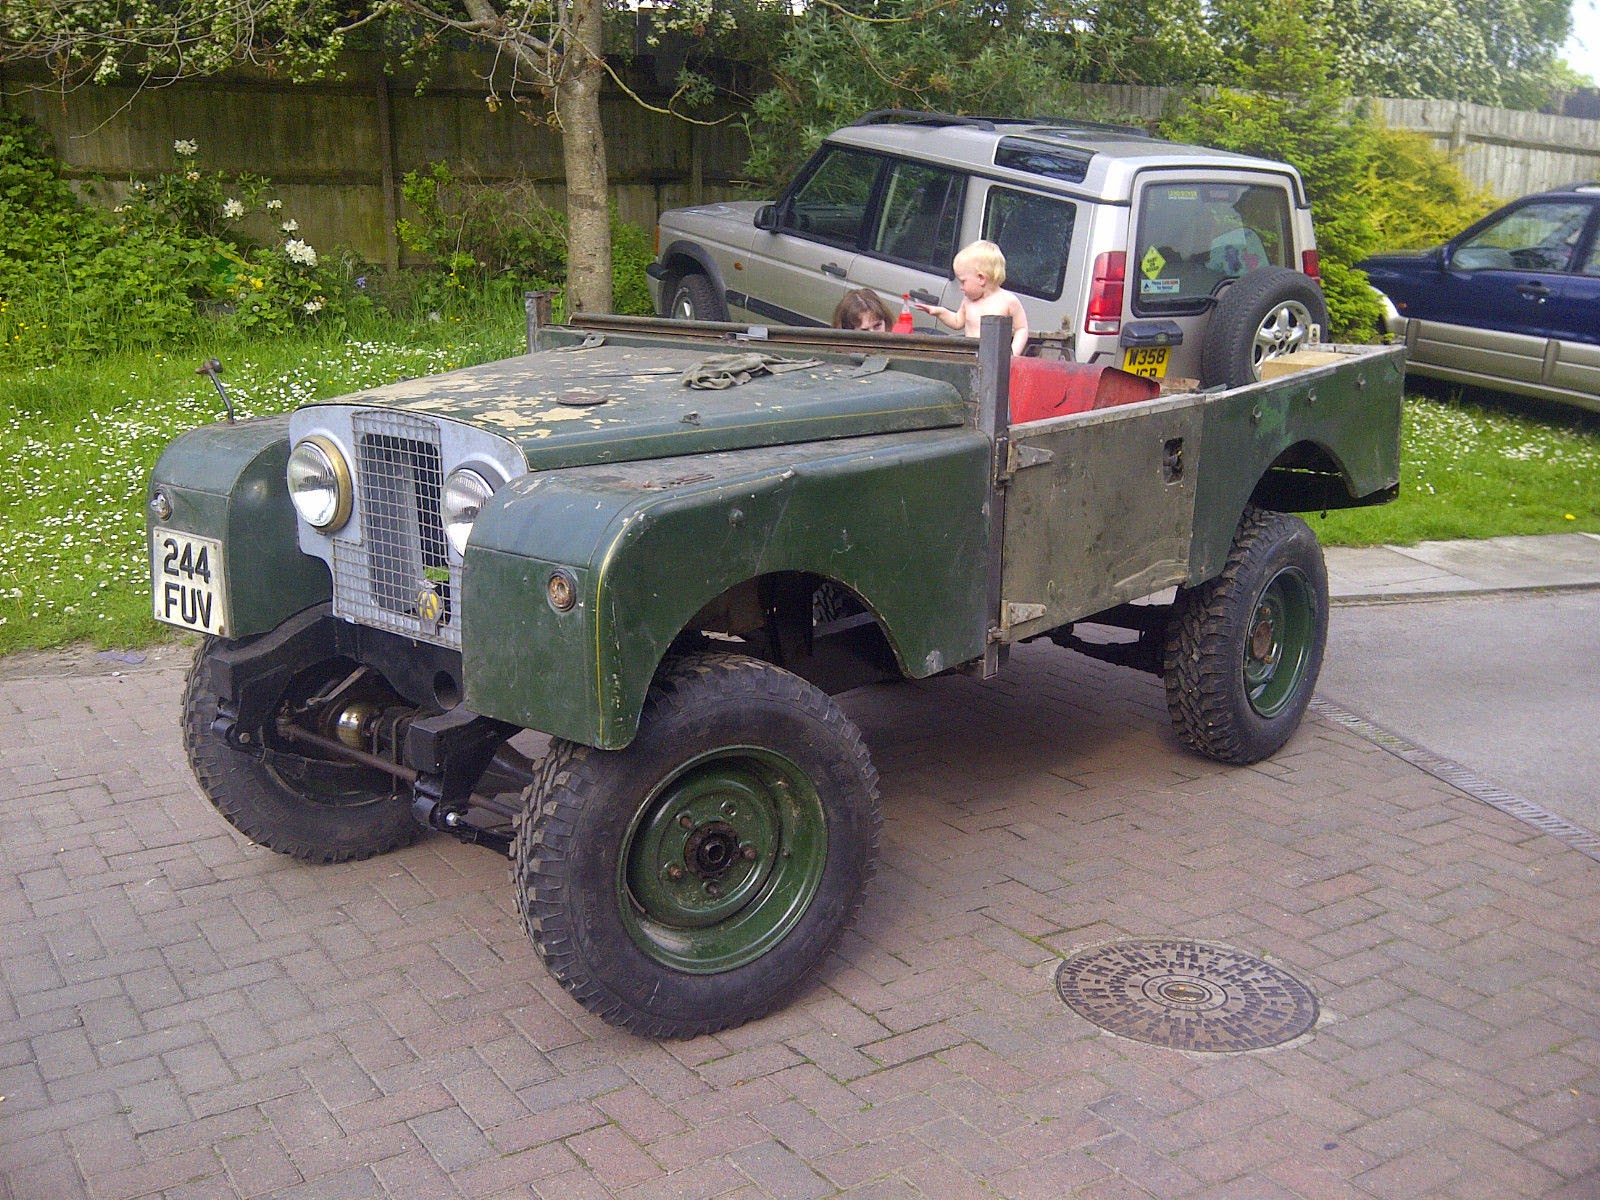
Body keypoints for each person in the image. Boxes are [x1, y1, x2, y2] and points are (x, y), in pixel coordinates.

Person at [915, 240, 1030, 356]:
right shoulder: (967, 301)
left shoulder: (1008, 301)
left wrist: (1013, 354)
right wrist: (940, 312)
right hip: (971, 358)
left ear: (981, 278)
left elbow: (1021, 329)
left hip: (997, 362)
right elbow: (957, 322)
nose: (961, 287)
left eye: (963, 281)